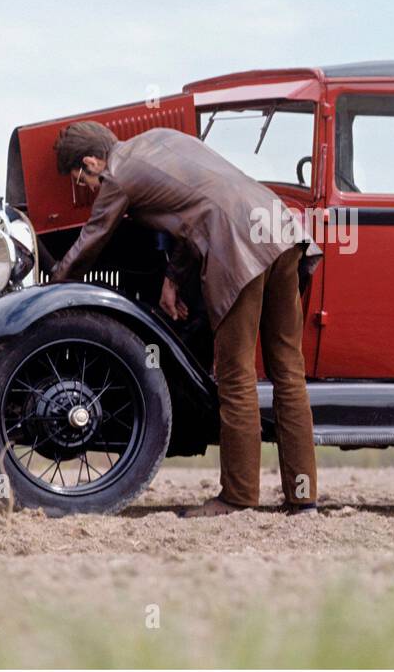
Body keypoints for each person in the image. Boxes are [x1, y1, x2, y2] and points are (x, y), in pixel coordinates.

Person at [49, 120, 319, 517]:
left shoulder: (118, 176)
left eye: (81, 179)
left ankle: (238, 498)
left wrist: (53, 284)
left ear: (91, 161)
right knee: (288, 372)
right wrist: (173, 279)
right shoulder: (160, 139)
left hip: (239, 241)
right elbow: (196, 206)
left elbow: (92, 240)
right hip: (279, 227)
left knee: (236, 375)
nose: (87, 188)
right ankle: (303, 499)